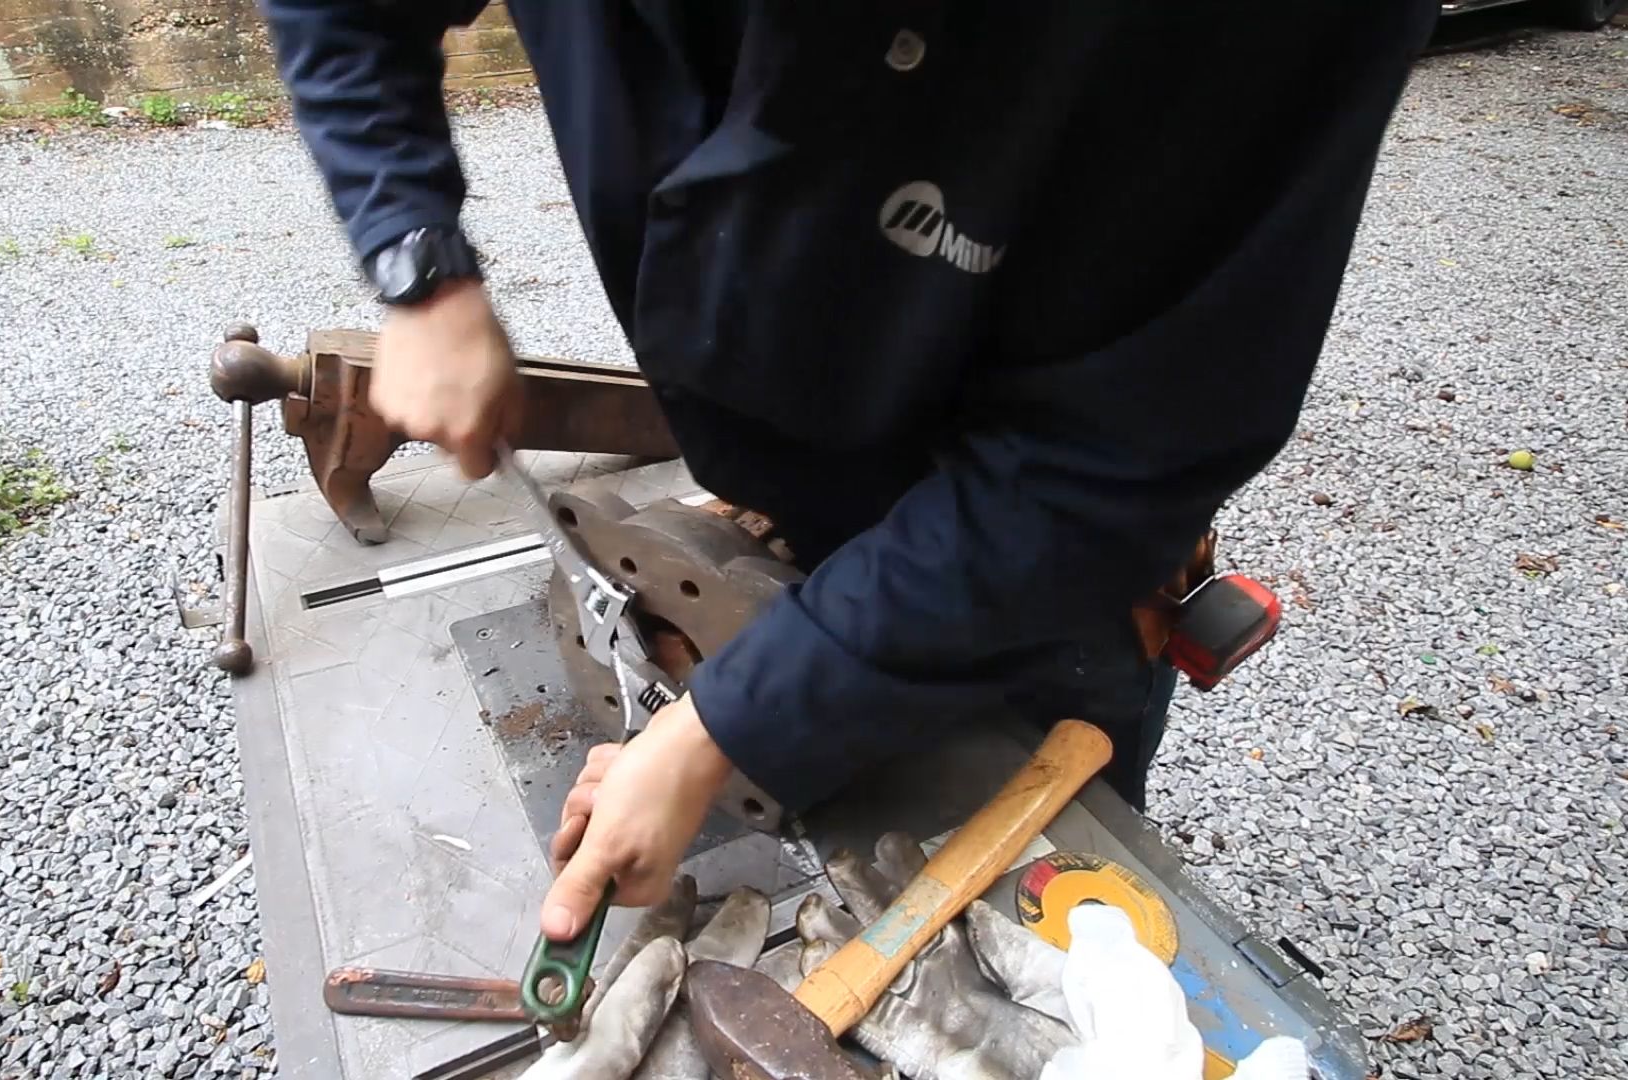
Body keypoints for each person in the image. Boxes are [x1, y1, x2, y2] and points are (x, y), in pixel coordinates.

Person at [258, 2, 1437, 945]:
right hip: (800, 484)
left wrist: (724, 724)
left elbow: (1112, 459)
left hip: (1033, 575)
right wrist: (421, 268)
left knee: (1045, 953)